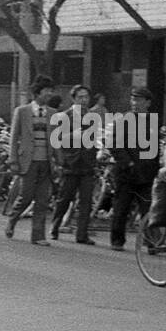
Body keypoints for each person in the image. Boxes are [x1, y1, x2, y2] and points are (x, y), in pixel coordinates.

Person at [5, 76, 57, 245]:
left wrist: (59, 161)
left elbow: (55, 140)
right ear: (37, 93)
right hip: (28, 161)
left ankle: (38, 236)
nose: (49, 94)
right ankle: (12, 218)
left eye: (50, 90)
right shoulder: (22, 111)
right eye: (46, 91)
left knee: (42, 200)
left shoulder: (53, 114)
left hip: (46, 162)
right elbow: (14, 138)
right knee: (25, 196)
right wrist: (13, 160)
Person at [105, 87, 159, 251]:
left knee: (147, 209)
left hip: (146, 174)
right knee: (121, 208)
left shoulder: (152, 121)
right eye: (133, 100)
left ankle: (150, 242)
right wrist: (127, 163)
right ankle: (117, 240)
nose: (135, 103)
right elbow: (114, 144)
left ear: (148, 103)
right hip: (126, 173)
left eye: (139, 100)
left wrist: (155, 167)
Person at [49, 84, 99, 245]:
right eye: (80, 97)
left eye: (86, 97)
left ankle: (82, 234)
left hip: (87, 164)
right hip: (70, 163)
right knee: (64, 198)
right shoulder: (64, 116)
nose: (84, 100)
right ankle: (55, 226)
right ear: (73, 99)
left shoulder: (93, 116)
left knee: (86, 201)